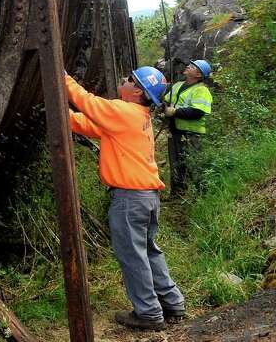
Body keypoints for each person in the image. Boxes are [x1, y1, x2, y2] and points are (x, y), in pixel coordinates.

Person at [66, 67, 186, 331]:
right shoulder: (134, 116)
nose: (124, 79)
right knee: (149, 252)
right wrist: (66, 117)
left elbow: (87, 101)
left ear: (138, 91)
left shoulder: (124, 111)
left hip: (130, 199)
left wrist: (62, 77)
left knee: (133, 256)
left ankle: (149, 313)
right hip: (147, 197)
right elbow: (91, 125)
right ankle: (172, 302)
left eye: (130, 79)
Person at [163, 59, 214, 196]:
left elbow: (197, 112)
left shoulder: (201, 90)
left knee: (193, 165)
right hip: (175, 131)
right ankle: (177, 194)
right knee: (176, 163)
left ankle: (201, 195)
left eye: (192, 66)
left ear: (198, 74)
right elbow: (166, 100)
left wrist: (175, 112)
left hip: (192, 134)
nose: (188, 67)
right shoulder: (178, 85)